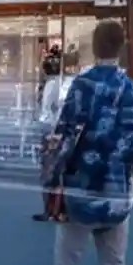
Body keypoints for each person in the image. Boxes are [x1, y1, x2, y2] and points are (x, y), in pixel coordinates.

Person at [48, 20, 133, 265]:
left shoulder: (82, 85)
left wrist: (54, 173)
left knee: (67, 260)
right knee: (114, 261)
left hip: (81, 186)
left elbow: (65, 134)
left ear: (94, 46)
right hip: (117, 189)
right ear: (121, 46)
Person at [34, 47, 77, 222]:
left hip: (62, 133)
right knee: (55, 172)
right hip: (60, 133)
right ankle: (55, 209)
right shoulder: (63, 83)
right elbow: (49, 110)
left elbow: (48, 110)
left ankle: (57, 209)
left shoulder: (62, 84)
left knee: (57, 172)